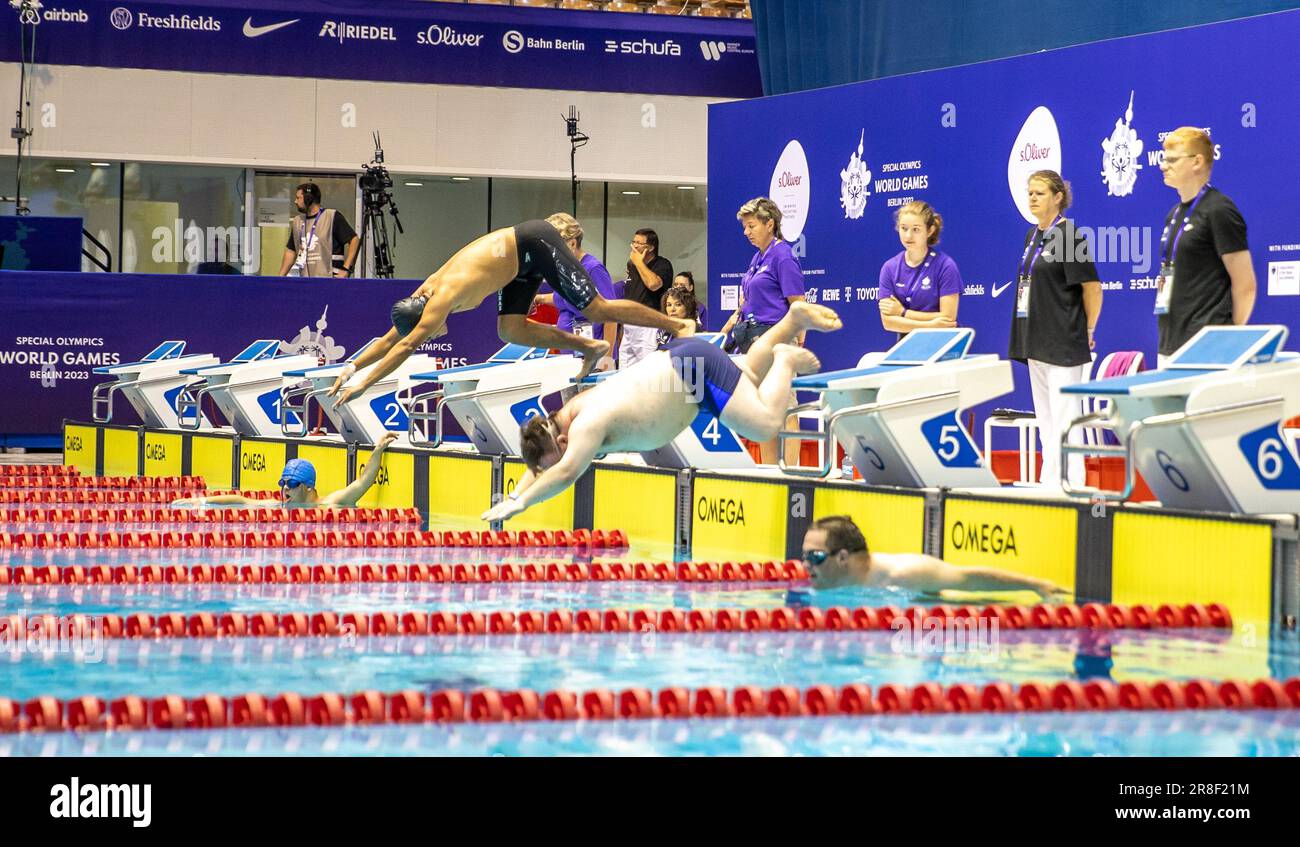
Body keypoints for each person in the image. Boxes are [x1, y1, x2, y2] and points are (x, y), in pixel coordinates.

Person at [481, 301, 843, 523]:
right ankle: (792, 322)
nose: (551, 466)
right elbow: (543, 466)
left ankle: (786, 358)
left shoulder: (586, 424)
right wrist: (514, 495)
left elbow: (564, 472)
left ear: (561, 440)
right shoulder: (567, 415)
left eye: (554, 457)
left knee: (764, 425)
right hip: (680, 371)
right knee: (747, 375)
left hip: (689, 372)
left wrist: (522, 504)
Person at [327, 219, 695, 408]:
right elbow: (391, 338)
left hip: (534, 242)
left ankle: (677, 323)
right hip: (518, 265)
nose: (433, 333)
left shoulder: (438, 302)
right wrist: (350, 368)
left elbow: (404, 347)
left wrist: (364, 385)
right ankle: (589, 348)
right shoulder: (422, 295)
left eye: (429, 329)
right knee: (510, 329)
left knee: (596, 307)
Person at [1007, 170, 1103, 489]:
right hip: (1034, 339)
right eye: (1029, 192)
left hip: (1063, 340)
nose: (1032, 198)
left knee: (1066, 418)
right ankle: (1050, 482)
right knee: (1046, 419)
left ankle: (1072, 483)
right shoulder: (1031, 235)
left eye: (1040, 193)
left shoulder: (1068, 235)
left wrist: (1088, 328)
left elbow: (1092, 288)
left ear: (1058, 197)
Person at [1155, 127, 1255, 365]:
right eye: (1163, 159)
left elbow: (1245, 285)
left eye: (1172, 160)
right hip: (1170, 343)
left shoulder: (1219, 210)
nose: (1162, 165)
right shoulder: (1175, 214)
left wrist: (1227, 341)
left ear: (1197, 162)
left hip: (1206, 346)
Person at [719, 197, 808, 465]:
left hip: (777, 339)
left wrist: (794, 344)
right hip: (754, 341)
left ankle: (790, 471)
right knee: (764, 409)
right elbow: (747, 302)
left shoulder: (783, 256)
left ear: (770, 223)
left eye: (751, 226)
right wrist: (731, 323)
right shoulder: (758, 257)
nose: (746, 232)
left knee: (786, 408)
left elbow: (799, 307)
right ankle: (769, 471)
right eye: (744, 227)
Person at [801, 516, 1066, 598]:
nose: (806, 566)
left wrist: (1035, 585)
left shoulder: (904, 574)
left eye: (815, 557)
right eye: (804, 557)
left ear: (843, 557)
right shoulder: (827, 587)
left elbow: (969, 579)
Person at [172, 433, 400, 508]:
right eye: (283, 483)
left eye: (291, 484)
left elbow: (363, 481)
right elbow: (241, 501)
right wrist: (202, 502)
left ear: (308, 486)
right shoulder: (279, 506)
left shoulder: (331, 503)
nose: (284, 489)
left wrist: (378, 449)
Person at [532, 213, 617, 373]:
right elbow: (562, 299)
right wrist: (538, 299)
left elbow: (611, 317)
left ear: (571, 244)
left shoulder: (594, 269)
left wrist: (607, 359)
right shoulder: (564, 269)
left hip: (593, 359)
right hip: (569, 357)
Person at [877, 201, 961, 336]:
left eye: (916, 229)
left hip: (942, 345)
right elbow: (888, 322)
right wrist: (930, 325)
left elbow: (948, 320)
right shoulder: (889, 268)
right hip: (905, 346)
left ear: (930, 230)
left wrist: (903, 313)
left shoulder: (945, 265)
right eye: (904, 228)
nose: (908, 236)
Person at [277, 182, 361, 278]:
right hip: (306, 280)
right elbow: (291, 251)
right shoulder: (297, 221)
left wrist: (346, 269)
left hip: (330, 279)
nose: (295, 201)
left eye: (298, 198)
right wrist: (280, 277)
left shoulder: (331, 216)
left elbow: (354, 240)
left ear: (309, 199)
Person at [619, 228, 675, 368]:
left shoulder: (662, 264)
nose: (635, 246)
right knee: (624, 369)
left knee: (648, 368)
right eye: (634, 242)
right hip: (629, 323)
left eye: (639, 243)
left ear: (650, 247)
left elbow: (653, 284)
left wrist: (638, 262)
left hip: (649, 325)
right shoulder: (631, 265)